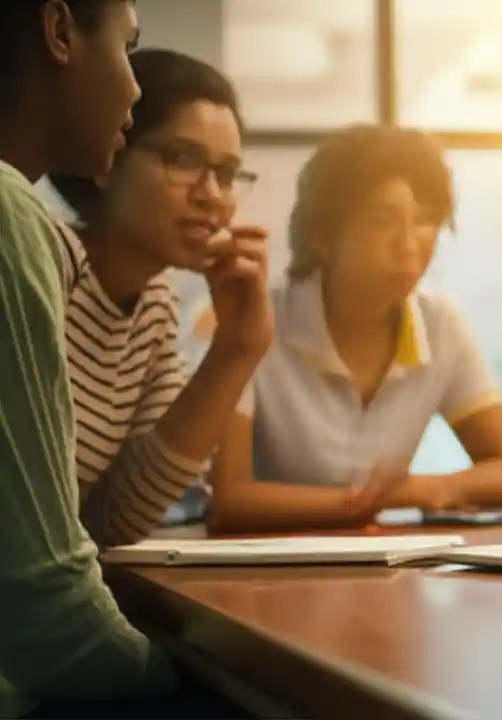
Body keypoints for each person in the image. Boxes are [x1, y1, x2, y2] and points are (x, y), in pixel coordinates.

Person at [208, 125, 502, 534]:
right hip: (252, 576)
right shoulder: (257, 319)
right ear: (322, 235)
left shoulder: (438, 322)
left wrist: (423, 488)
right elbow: (231, 500)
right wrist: (363, 503)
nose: (409, 244)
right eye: (383, 221)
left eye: (425, 220)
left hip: (374, 566)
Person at [0, 0, 181, 714]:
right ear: (59, 31)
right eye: (127, 48)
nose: (135, 89)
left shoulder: (160, 305)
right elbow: (46, 611)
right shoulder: (13, 218)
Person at [46, 49, 271, 549]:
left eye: (228, 173)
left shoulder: (154, 304)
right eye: (184, 160)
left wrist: (237, 349)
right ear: (109, 156)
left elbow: (117, 519)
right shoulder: (44, 266)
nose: (213, 195)